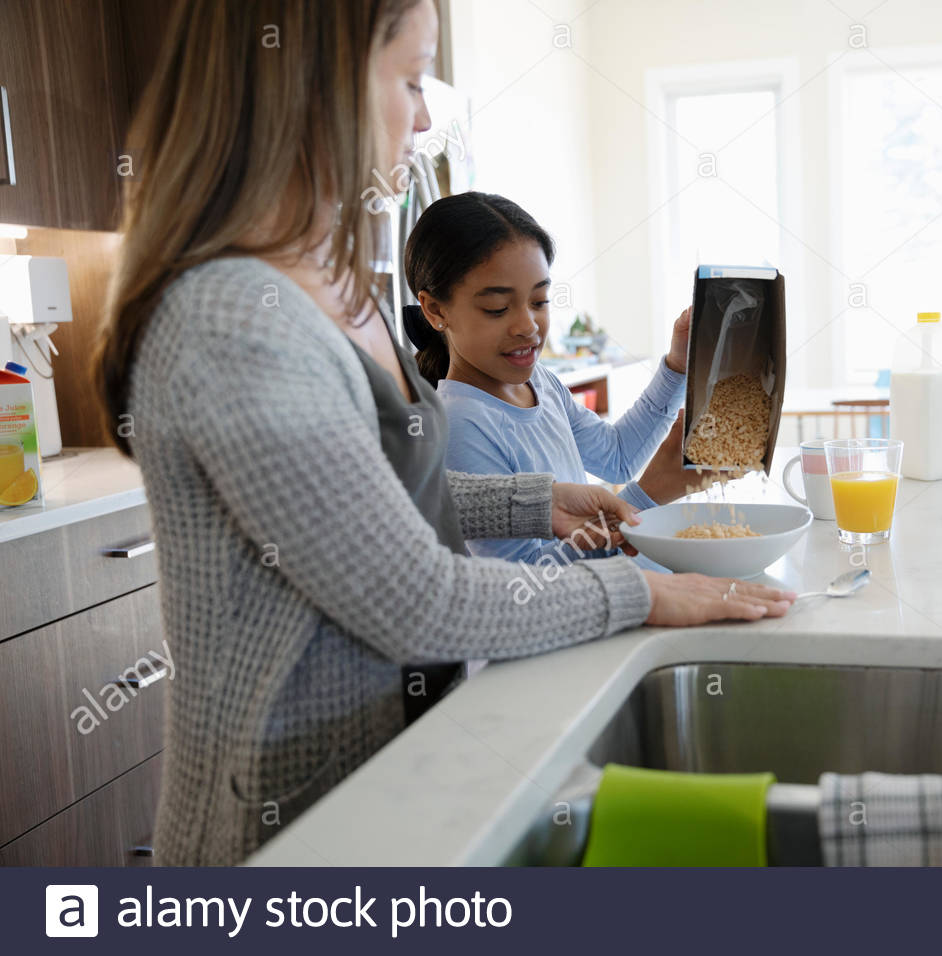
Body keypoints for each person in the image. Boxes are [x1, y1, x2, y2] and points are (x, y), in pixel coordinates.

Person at [93, 0, 793, 867]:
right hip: (290, 829)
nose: (424, 119)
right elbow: (412, 597)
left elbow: (363, 501)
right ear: (313, 80)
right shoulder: (233, 319)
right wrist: (647, 593)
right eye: (412, 79)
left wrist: (535, 500)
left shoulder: (335, 287)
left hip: (399, 774)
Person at [402, 191, 699, 563]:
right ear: (434, 309)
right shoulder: (460, 424)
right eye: (497, 308)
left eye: (539, 301)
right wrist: (650, 493)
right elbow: (526, 580)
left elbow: (617, 457)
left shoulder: (539, 382)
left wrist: (677, 367)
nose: (528, 326)